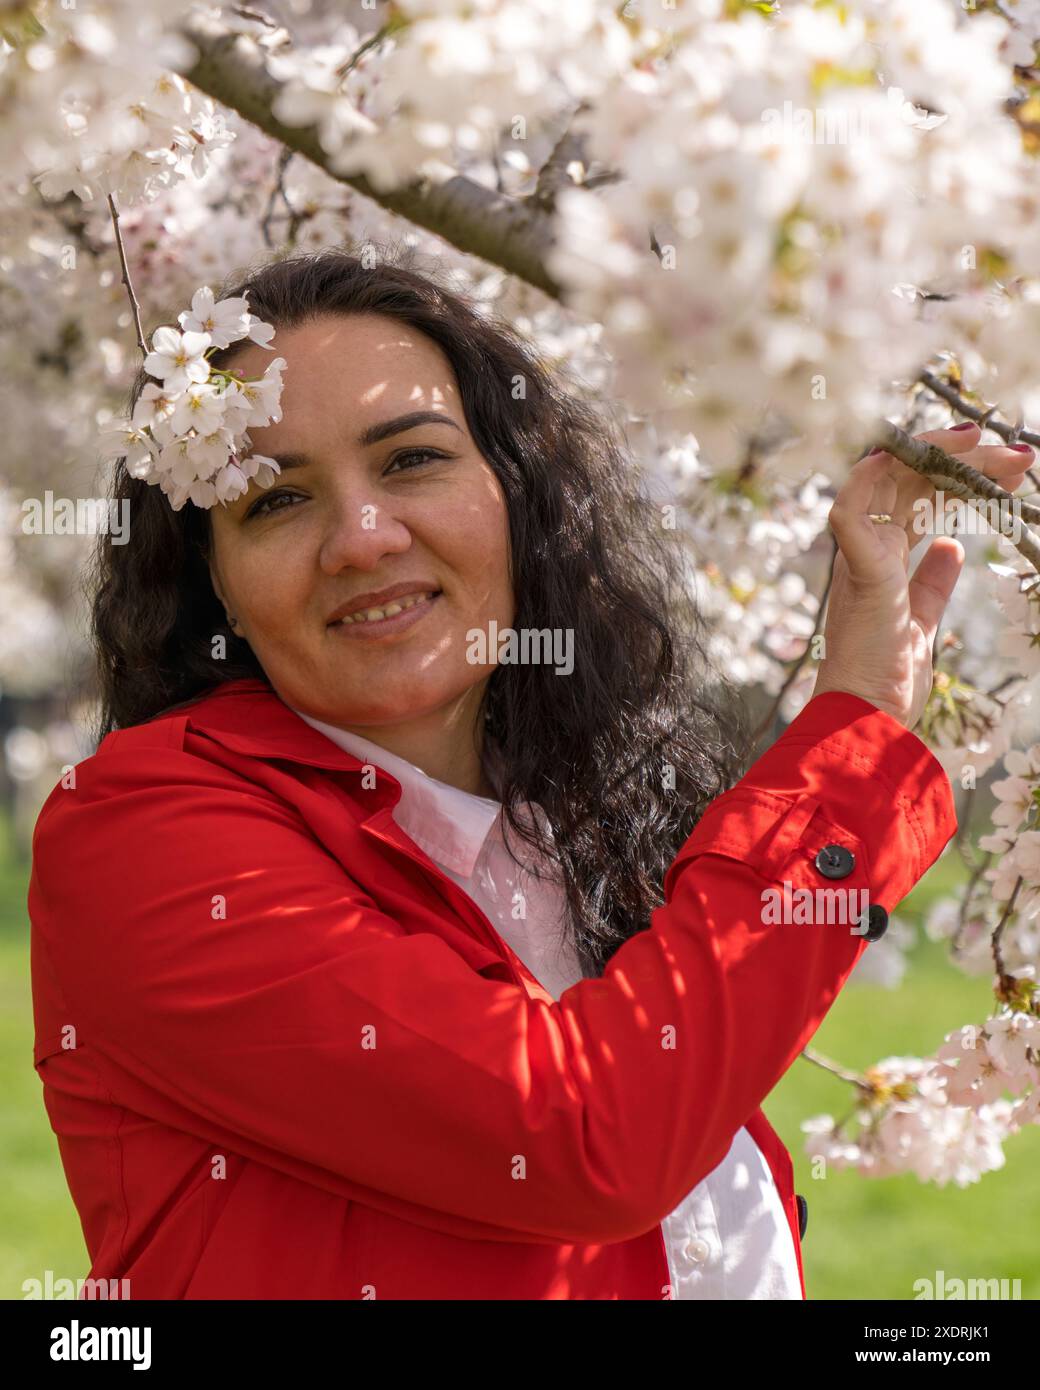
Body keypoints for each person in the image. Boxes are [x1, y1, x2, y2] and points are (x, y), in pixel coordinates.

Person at [26, 249, 1031, 1299]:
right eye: (275, 501)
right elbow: (586, 1136)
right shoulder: (141, 837)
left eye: (411, 460)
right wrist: (854, 737)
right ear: (212, 580)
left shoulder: (580, 821)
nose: (362, 538)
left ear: (517, 496)